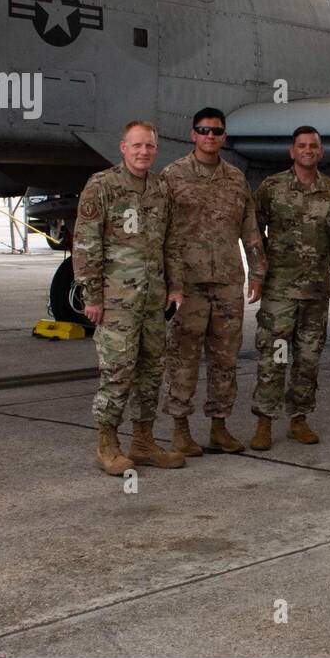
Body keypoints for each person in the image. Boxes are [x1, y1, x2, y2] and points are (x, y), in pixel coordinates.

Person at [73, 121, 186, 475]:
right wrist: (92, 296)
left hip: (153, 301)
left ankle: (143, 441)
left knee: (152, 371)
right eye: (137, 146)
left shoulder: (160, 188)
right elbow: (86, 244)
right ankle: (107, 445)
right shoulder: (102, 186)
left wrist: (175, 285)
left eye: (149, 146)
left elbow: (171, 240)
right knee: (117, 373)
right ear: (123, 148)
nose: (144, 152)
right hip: (117, 301)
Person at [161, 108, 267, 455]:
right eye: (203, 131)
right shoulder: (171, 176)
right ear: (193, 134)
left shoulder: (236, 179)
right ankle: (180, 428)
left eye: (216, 131)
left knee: (225, 359)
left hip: (226, 282)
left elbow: (250, 227)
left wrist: (258, 270)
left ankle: (219, 427)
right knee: (183, 357)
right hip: (186, 284)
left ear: (223, 137)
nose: (210, 136)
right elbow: (159, 230)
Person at [250, 126, 330, 449]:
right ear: (292, 152)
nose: (308, 150)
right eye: (302, 146)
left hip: (316, 294)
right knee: (273, 358)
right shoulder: (272, 187)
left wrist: (321, 267)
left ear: (320, 153)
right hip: (279, 291)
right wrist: (264, 267)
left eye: (314, 146)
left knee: (308, 359)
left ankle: (299, 419)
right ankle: (265, 421)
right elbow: (254, 229)